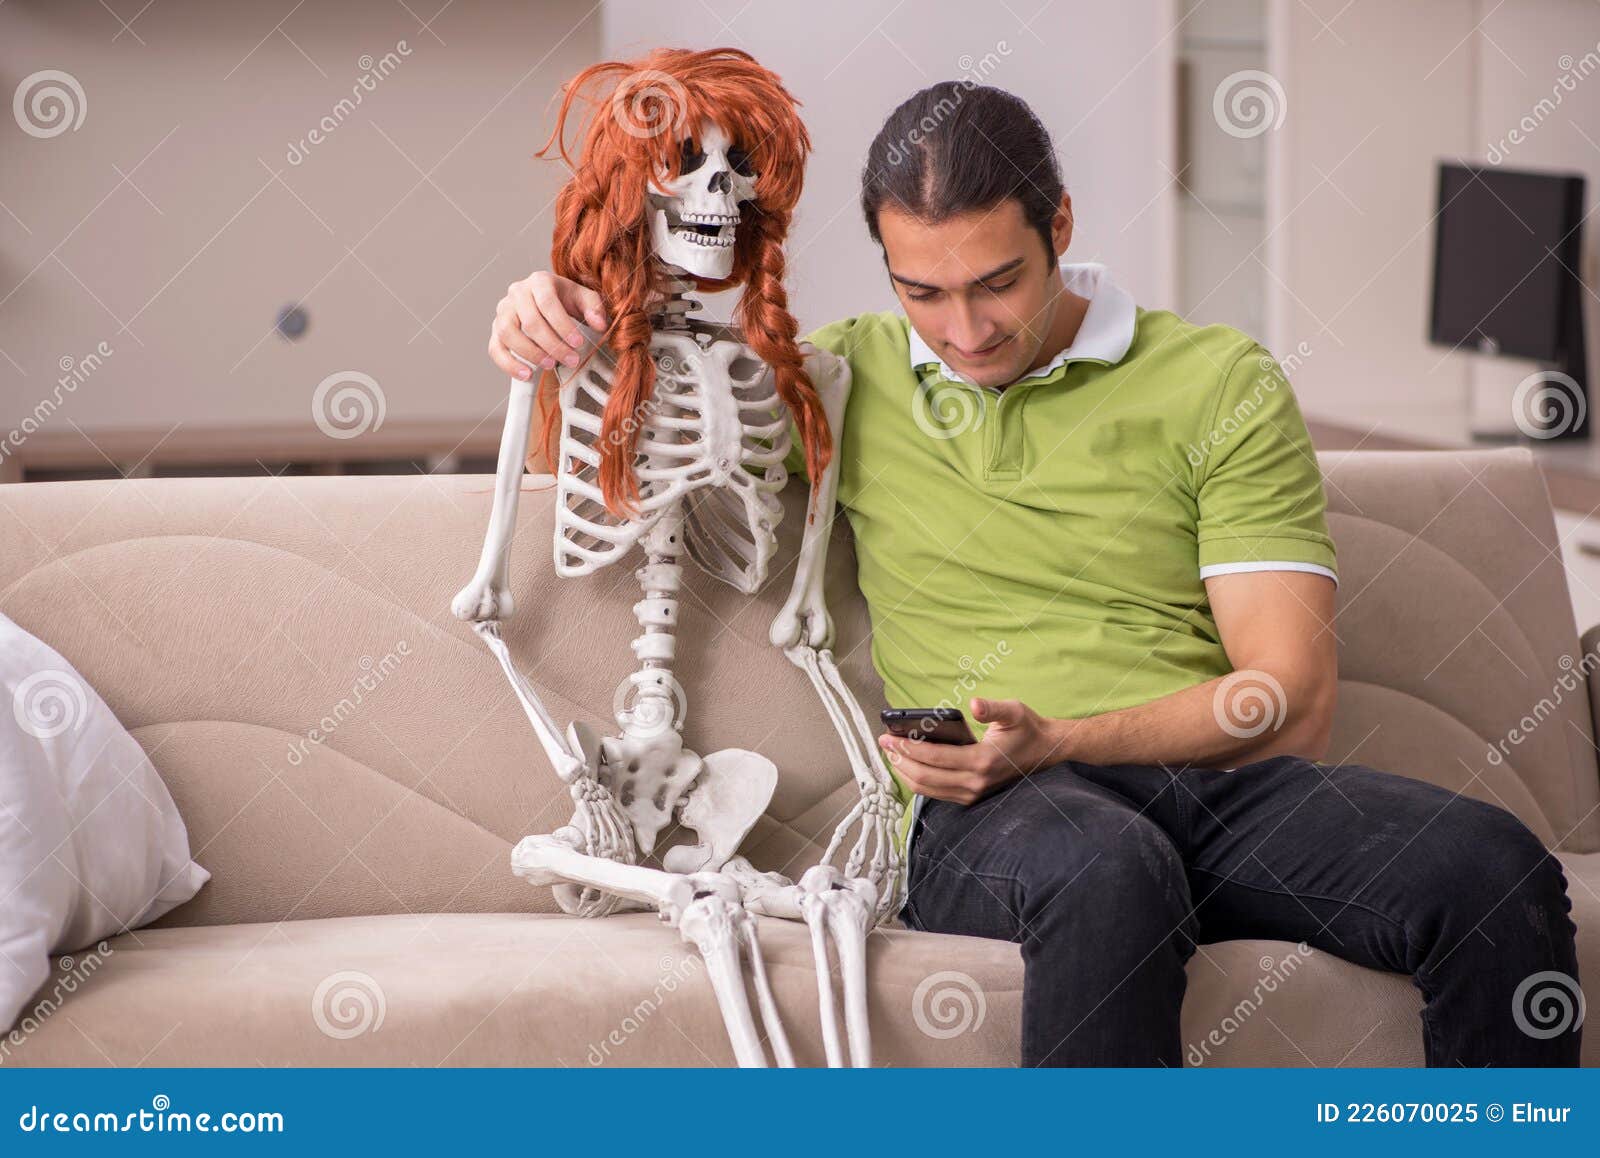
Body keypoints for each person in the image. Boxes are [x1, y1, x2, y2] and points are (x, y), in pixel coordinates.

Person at [486, 78, 1582, 1068]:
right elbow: (640, 444)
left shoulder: (1217, 384)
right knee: (1109, 869)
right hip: (992, 811)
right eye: (922, 292)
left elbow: (1286, 701)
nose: (964, 331)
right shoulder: (844, 376)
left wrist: (1067, 737)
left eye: (997, 283)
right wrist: (549, 312)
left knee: (1490, 867)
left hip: (1217, 791)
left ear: (1059, 227)